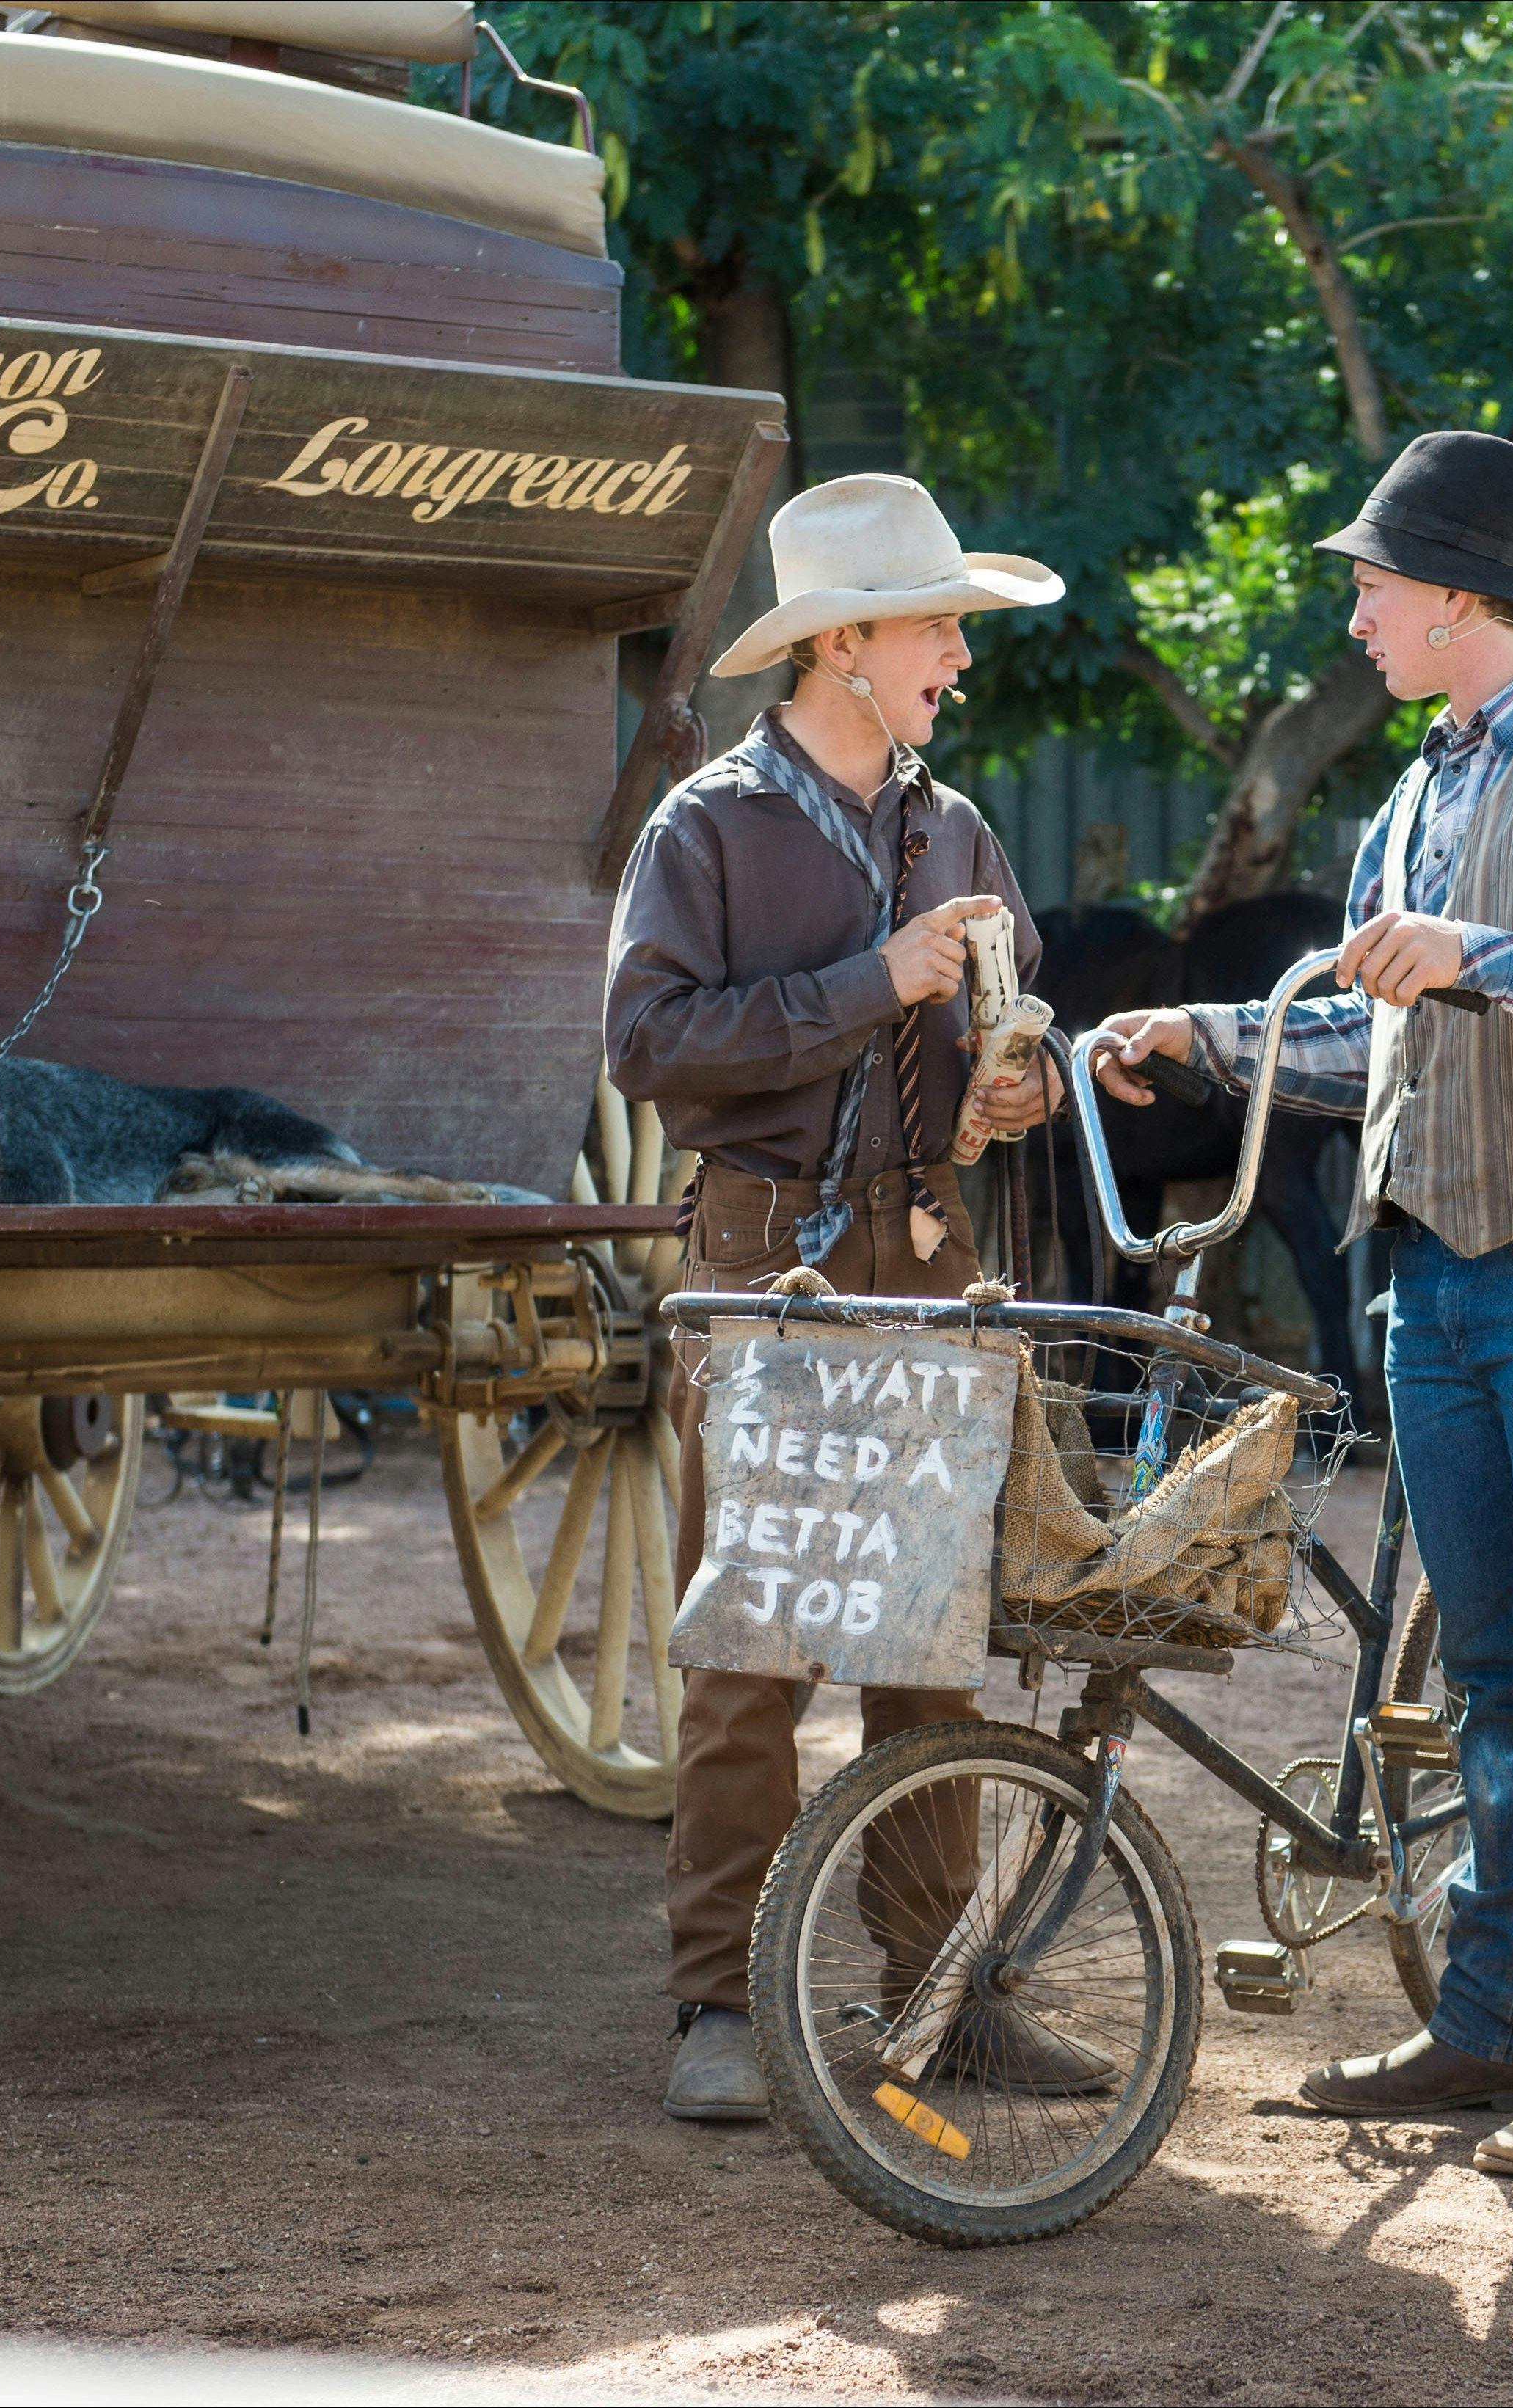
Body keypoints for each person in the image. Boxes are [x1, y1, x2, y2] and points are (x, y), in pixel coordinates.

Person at [1092, 431, 1513, 2179]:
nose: (1359, 617)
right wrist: (1206, 1044)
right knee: (1496, 1682)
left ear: (1466, 599)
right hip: (1433, 1279)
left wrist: (1488, 957)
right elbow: (1365, 1030)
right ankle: (1495, 2031)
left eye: (1376, 586)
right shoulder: (1415, 798)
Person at [605, 472, 1084, 2124]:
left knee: (927, 1654)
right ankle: (714, 2013)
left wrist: (1007, 1086)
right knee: (750, 1650)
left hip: (928, 1260)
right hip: (764, 1267)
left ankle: (939, 2003)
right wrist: (865, 987)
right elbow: (651, 1046)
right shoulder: (708, 827)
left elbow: (1007, 1037)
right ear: (845, 647)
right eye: (937, 623)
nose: (960, 651)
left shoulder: (954, 828)